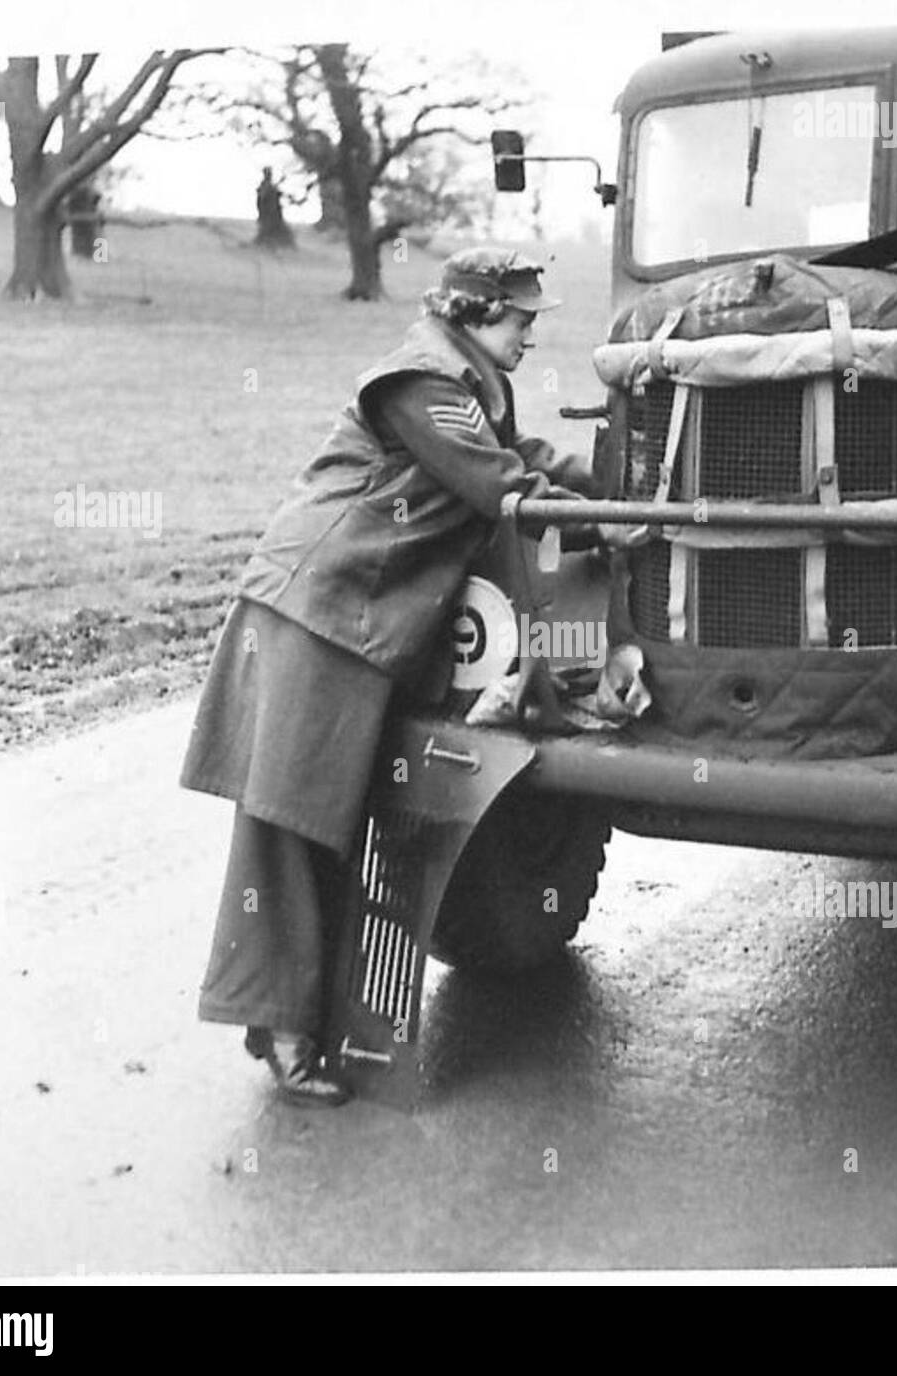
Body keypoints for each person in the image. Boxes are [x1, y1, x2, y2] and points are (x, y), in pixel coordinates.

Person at [180, 247, 597, 1104]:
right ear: (476, 312)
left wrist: (622, 474)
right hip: (319, 610)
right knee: (289, 819)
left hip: (353, 618)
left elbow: (520, 452)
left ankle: (293, 1020)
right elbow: (503, 485)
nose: (529, 335)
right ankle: (281, 1032)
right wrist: (611, 518)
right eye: (521, 320)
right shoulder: (424, 383)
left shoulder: (468, 381)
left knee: (324, 817)